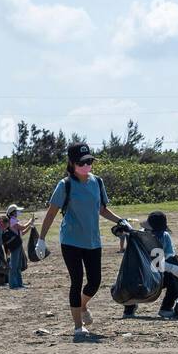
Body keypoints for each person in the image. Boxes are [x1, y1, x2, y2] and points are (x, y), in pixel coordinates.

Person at [36, 143, 132, 340]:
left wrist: (121, 220)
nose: (87, 165)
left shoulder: (98, 182)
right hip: (71, 240)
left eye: (89, 161)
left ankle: (82, 305)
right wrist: (41, 239)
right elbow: (52, 213)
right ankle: (78, 326)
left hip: (93, 241)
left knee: (95, 281)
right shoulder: (65, 185)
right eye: (82, 162)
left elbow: (102, 209)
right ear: (72, 163)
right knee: (77, 281)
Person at [145, 210, 178, 318]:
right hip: (150, 277)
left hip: (139, 279)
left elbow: (167, 257)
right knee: (176, 279)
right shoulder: (163, 236)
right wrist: (172, 268)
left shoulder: (139, 236)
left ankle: (129, 308)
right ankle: (166, 308)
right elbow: (163, 260)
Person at [2, 203, 34, 290]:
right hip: (15, 245)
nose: (18, 212)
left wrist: (30, 227)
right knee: (14, 265)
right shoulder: (12, 221)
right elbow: (22, 228)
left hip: (18, 244)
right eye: (17, 211)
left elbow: (22, 233)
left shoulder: (13, 220)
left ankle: (19, 284)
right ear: (13, 212)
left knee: (18, 265)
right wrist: (30, 222)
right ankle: (13, 285)